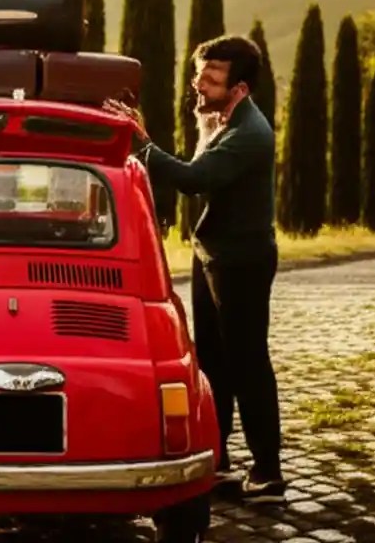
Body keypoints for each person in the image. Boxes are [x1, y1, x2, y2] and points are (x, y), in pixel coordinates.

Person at [104, 34, 286, 504]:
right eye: (198, 73)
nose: (198, 84)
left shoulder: (250, 133)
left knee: (248, 364)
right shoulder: (223, 119)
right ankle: (217, 461)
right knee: (213, 364)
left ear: (240, 87)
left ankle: (268, 475)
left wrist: (138, 140)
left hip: (241, 261)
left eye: (211, 77)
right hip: (215, 256)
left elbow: (192, 179)